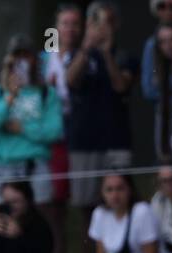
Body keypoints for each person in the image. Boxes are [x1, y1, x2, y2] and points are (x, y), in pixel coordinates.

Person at [67, 1, 137, 236]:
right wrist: (87, 49)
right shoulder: (78, 54)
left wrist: (106, 53)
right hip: (84, 142)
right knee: (86, 206)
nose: (101, 28)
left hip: (115, 140)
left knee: (119, 201)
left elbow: (121, 86)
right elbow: (70, 81)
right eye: (95, 22)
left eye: (106, 22)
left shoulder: (124, 55)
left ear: (115, 24)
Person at [0, 36, 63, 212]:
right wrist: (10, 97)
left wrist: (24, 128)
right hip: (2, 167)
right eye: (16, 56)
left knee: (43, 220)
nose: (21, 61)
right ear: (8, 60)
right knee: (1, 221)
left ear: (34, 59)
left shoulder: (46, 93)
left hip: (35, 166)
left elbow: (55, 131)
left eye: (26, 56)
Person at [42, 3, 84, 253]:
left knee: (80, 206)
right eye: (64, 23)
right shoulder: (44, 57)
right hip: (51, 141)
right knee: (52, 211)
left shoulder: (84, 55)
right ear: (55, 28)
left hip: (78, 137)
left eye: (74, 23)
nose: (69, 28)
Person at [86, 173, 162, 253]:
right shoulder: (99, 213)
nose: (114, 195)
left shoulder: (142, 211)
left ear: (130, 190)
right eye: (109, 190)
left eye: (120, 189)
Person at [141, 1, 172, 159]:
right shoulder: (151, 45)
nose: (167, 10)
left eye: (171, 5)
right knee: (167, 162)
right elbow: (149, 89)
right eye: (161, 6)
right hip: (166, 114)